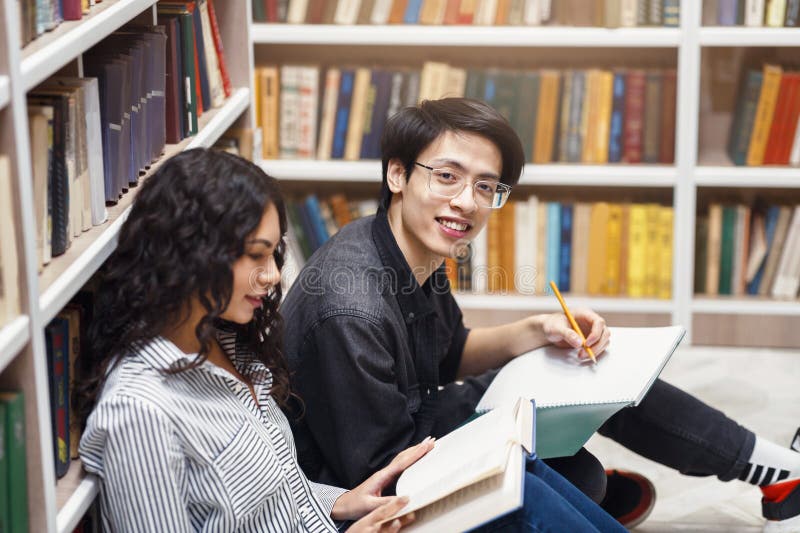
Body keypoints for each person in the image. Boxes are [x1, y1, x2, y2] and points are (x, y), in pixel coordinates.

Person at [281, 98, 800, 531]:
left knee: (582, 367)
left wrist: (539, 331)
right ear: (398, 174)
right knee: (580, 476)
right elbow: (382, 478)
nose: (466, 201)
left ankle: (774, 467)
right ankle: (577, 487)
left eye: (486, 187)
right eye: (446, 176)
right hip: (378, 478)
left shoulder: (407, 244)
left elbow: (450, 352)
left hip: (417, 420)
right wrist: (511, 454)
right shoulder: (351, 309)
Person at [77, 148, 625, 532]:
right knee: (521, 507)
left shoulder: (230, 344)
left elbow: (276, 494)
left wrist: (344, 502)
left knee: (520, 476)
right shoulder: (140, 412)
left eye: (275, 253)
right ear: (186, 252)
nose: (272, 276)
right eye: (255, 255)